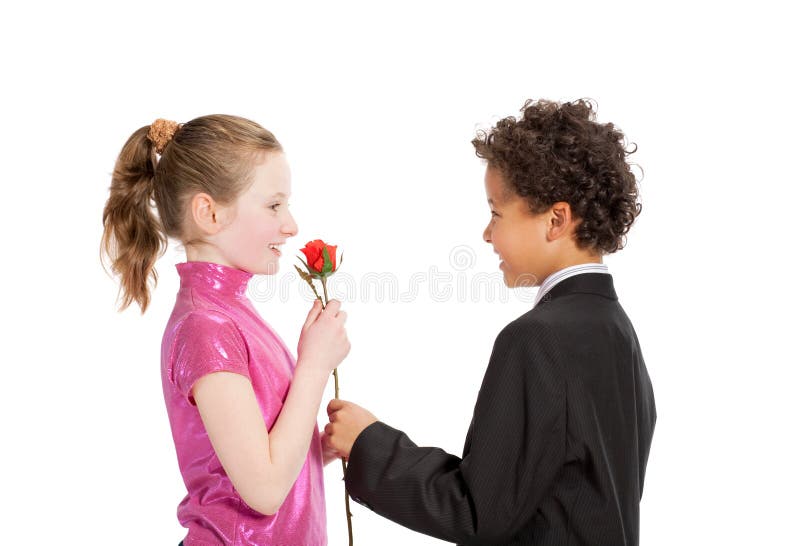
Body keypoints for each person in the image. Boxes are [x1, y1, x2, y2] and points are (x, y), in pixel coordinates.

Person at [324, 99, 656, 545]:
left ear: (556, 219)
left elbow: (478, 510)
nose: (487, 233)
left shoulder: (538, 337)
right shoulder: (616, 328)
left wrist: (368, 444)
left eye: (496, 213)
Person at [101, 115, 349, 545]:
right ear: (209, 212)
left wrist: (316, 447)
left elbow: (254, 459)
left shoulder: (231, 312)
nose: (291, 225)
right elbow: (265, 490)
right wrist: (314, 367)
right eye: (274, 205)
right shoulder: (206, 325)